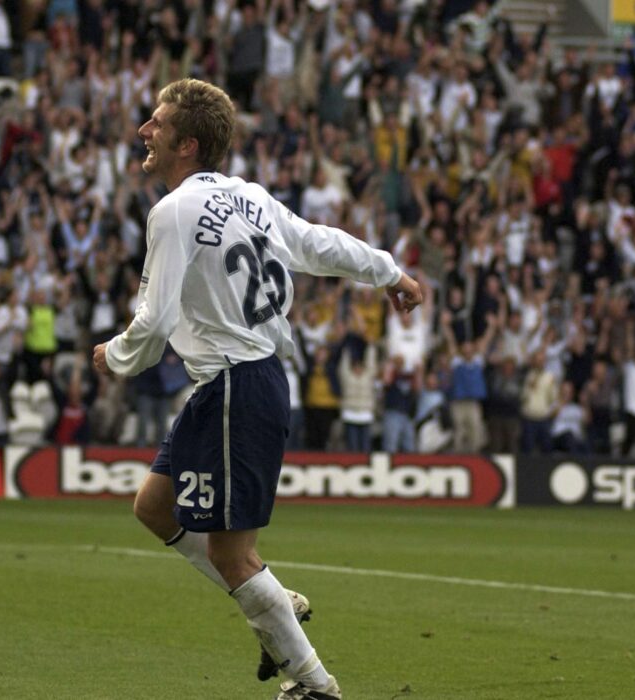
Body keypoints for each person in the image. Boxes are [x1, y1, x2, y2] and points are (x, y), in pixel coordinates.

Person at [92, 79, 421, 700]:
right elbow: (320, 243)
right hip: (246, 381)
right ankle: (275, 600)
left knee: (232, 554)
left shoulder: (172, 211)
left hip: (235, 385)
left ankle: (313, 684)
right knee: (154, 507)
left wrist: (117, 356)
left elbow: (156, 320)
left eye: (156, 124)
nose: (144, 132)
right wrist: (390, 271)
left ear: (187, 144)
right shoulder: (250, 198)